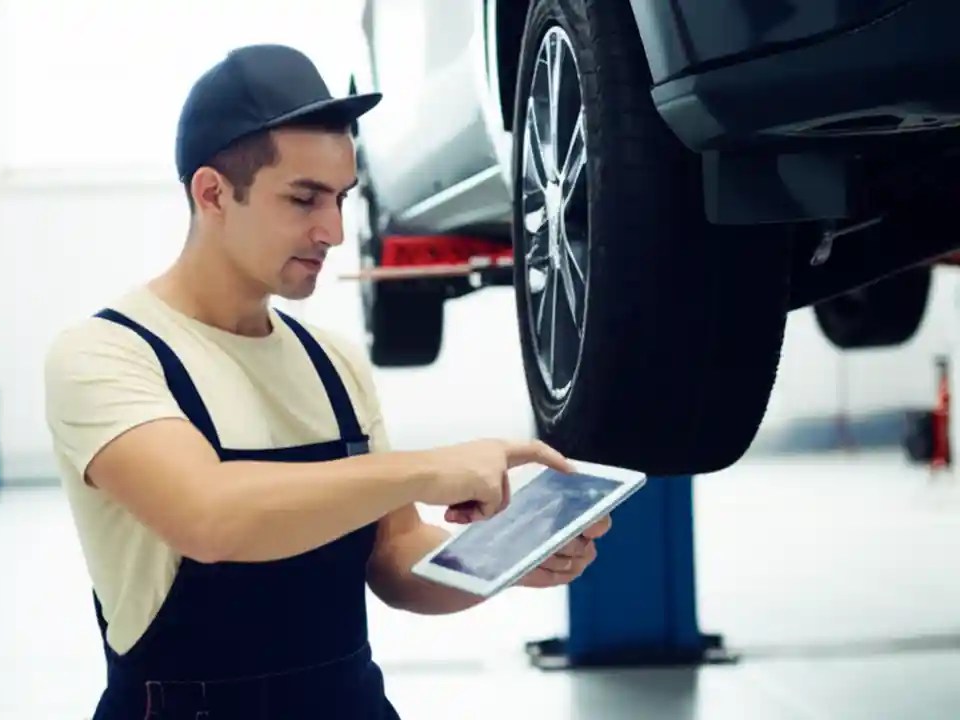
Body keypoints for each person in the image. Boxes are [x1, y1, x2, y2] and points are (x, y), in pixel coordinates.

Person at [43, 44, 613, 719]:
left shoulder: (333, 365)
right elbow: (211, 517)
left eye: (342, 198)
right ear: (212, 193)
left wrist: (506, 554)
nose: (334, 231)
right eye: (304, 199)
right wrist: (428, 470)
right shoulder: (106, 356)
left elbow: (396, 556)